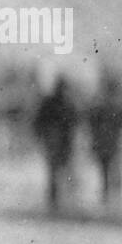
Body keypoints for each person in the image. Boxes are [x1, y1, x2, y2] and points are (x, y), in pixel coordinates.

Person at [33, 75, 79, 213]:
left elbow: (74, 122)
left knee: (58, 171)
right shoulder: (57, 103)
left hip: (62, 142)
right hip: (55, 141)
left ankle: (59, 199)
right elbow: (39, 122)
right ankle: (56, 200)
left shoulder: (64, 103)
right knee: (56, 171)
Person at [87, 72, 122, 206]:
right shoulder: (114, 105)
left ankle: (109, 195)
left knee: (106, 169)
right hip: (109, 142)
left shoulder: (100, 105)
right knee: (110, 168)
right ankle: (112, 195)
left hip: (106, 142)